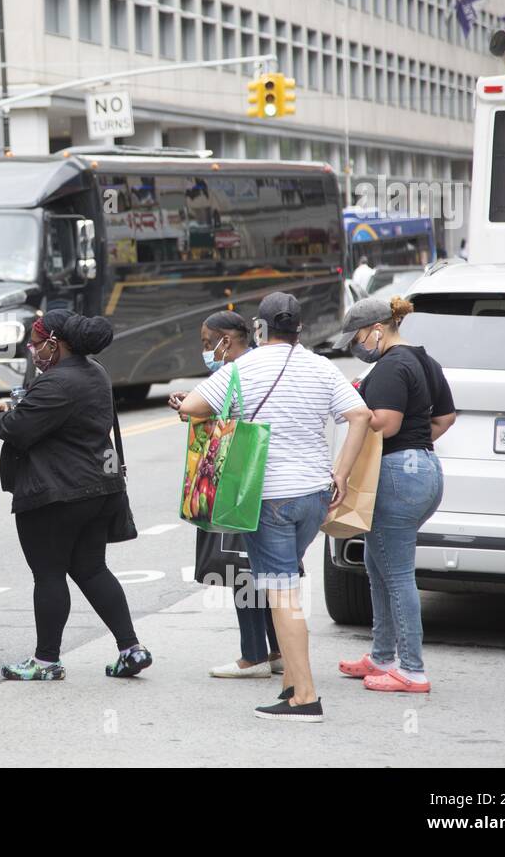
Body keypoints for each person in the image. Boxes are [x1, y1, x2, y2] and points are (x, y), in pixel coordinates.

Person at [179, 293, 372, 722]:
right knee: (284, 585)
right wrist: (341, 473)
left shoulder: (240, 368)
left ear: (260, 329)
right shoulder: (322, 366)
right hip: (314, 497)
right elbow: (360, 416)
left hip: (266, 498)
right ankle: (290, 686)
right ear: (300, 328)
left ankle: (305, 696)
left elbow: (192, 408)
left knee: (282, 595)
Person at [0, 309, 151, 681]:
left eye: (35, 342)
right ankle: (131, 648)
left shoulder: (56, 384)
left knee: (47, 574)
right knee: (92, 568)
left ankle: (46, 662)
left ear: (54, 344)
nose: (32, 349)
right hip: (98, 490)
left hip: (56, 493)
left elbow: (19, 429)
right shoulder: (95, 372)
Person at [334, 296, 456, 694]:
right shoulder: (423, 359)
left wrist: (354, 409)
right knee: (377, 562)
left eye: (356, 338)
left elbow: (384, 424)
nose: (355, 346)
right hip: (424, 471)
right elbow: (445, 417)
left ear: (377, 330)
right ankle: (382, 654)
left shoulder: (390, 365)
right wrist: (416, 448)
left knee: (398, 573)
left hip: (397, 477)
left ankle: (412, 670)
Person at [169, 311, 285, 679]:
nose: (206, 351)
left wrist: (186, 405)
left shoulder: (234, 371)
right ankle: (280, 649)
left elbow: (194, 411)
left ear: (228, 340)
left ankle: (253, 655)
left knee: (240, 568)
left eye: (208, 343)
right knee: (272, 570)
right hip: (280, 478)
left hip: (240, 480)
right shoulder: (270, 363)